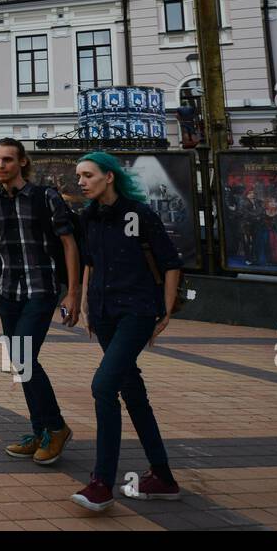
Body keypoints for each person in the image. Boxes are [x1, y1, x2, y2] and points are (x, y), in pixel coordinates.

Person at [69, 152, 183, 511]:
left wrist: (165, 310)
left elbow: (170, 263)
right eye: (79, 177)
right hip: (103, 313)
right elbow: (89, 262)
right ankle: (162, 477)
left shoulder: (139, 213)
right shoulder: (87, 217)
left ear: (109, 176)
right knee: (132, 391)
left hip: (137, 311)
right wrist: (86, 303)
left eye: (88, 175)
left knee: (104, 386)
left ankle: (102, 483)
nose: (82, 182)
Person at [0, 138, 80, 466]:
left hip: (40, 290)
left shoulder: (45, 197)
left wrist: (73, 293)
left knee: (24, 357)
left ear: (22, 163)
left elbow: (69, 244)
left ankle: (56, 428)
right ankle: (40, 431)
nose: (0, 166)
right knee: (21, 363)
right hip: (8, 292)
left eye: (7, 160)